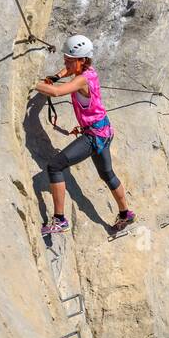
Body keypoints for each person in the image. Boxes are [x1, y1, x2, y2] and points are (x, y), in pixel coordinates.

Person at [34, 34, 135, 235]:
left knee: (54, 166)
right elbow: (68, 71)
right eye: (65, 60)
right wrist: (56, 76)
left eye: (70, 61)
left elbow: (56, 93)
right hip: (104, 130)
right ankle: (125, 213)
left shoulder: (81, 80)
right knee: (107, 174)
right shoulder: (89, 72)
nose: (66, 64)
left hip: (93, 136)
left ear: (82, 60)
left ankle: (60, 220)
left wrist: (35, 84)